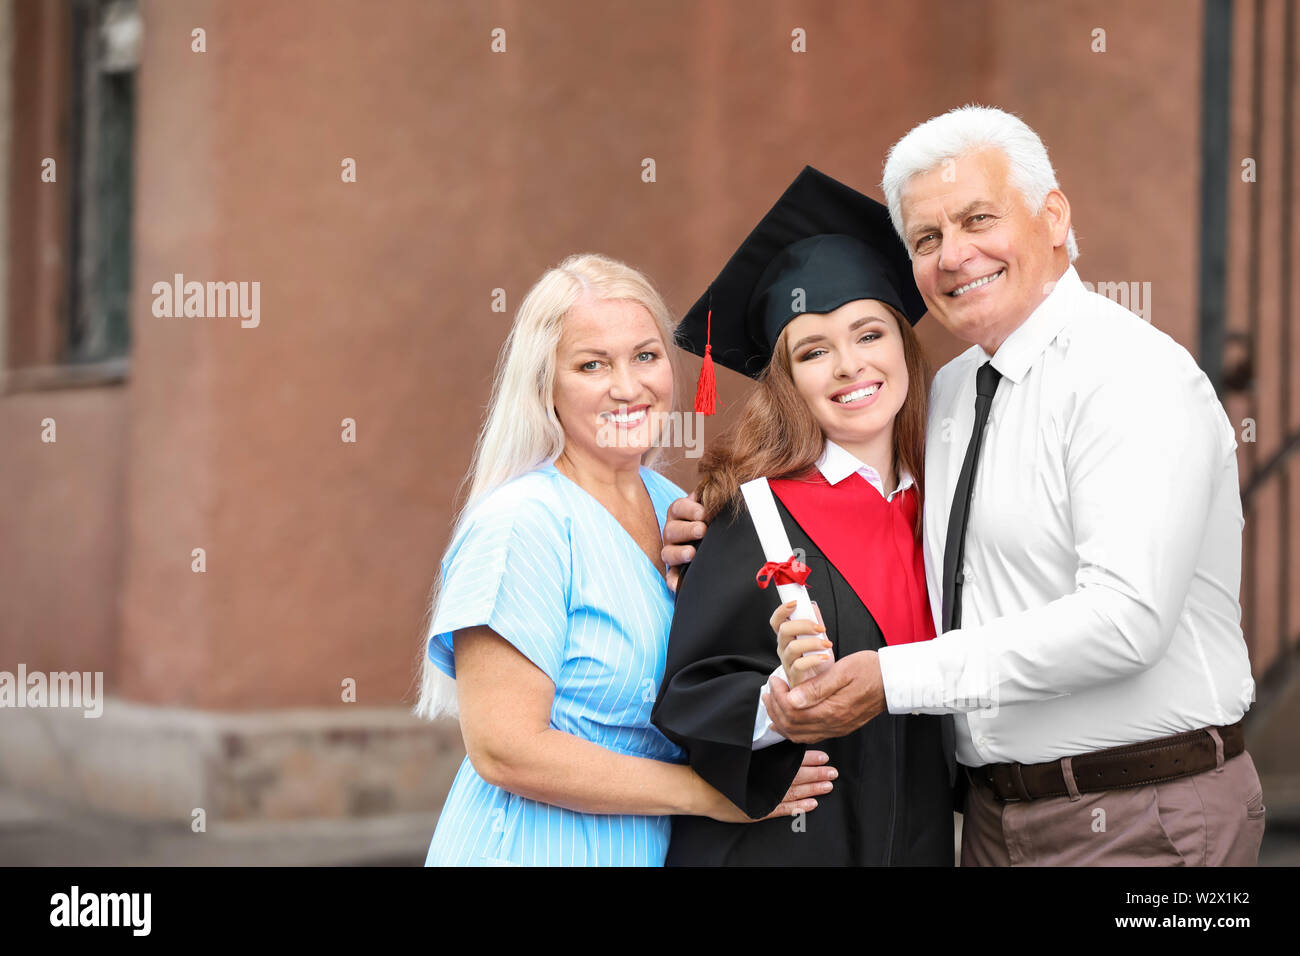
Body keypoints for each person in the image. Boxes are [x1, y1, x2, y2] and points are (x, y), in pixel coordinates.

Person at [663, 107, 1264, 866]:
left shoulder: (1130, 376)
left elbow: (1125, 623)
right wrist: (708, 518)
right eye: (926, 238)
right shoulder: (948, 398)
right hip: (988, 823)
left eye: (978, 218)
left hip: (1141, 814)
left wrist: (889, 679)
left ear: (1053, 217)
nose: (955, 255)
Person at [414, 253, 835, 866]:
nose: (628, 387)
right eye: (592, 364)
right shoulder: (523, 523)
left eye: (645, 355)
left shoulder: (674, 510)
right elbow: (506, 749)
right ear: (545, 384)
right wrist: (711, 794)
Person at [650, 167, 954, 865]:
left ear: (904, 345)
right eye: (813, 350)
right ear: (787, 381)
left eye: (869, 333)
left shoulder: (946, 508)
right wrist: (774, 702)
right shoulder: (752, 516)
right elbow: (691, 695)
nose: (849, 365)